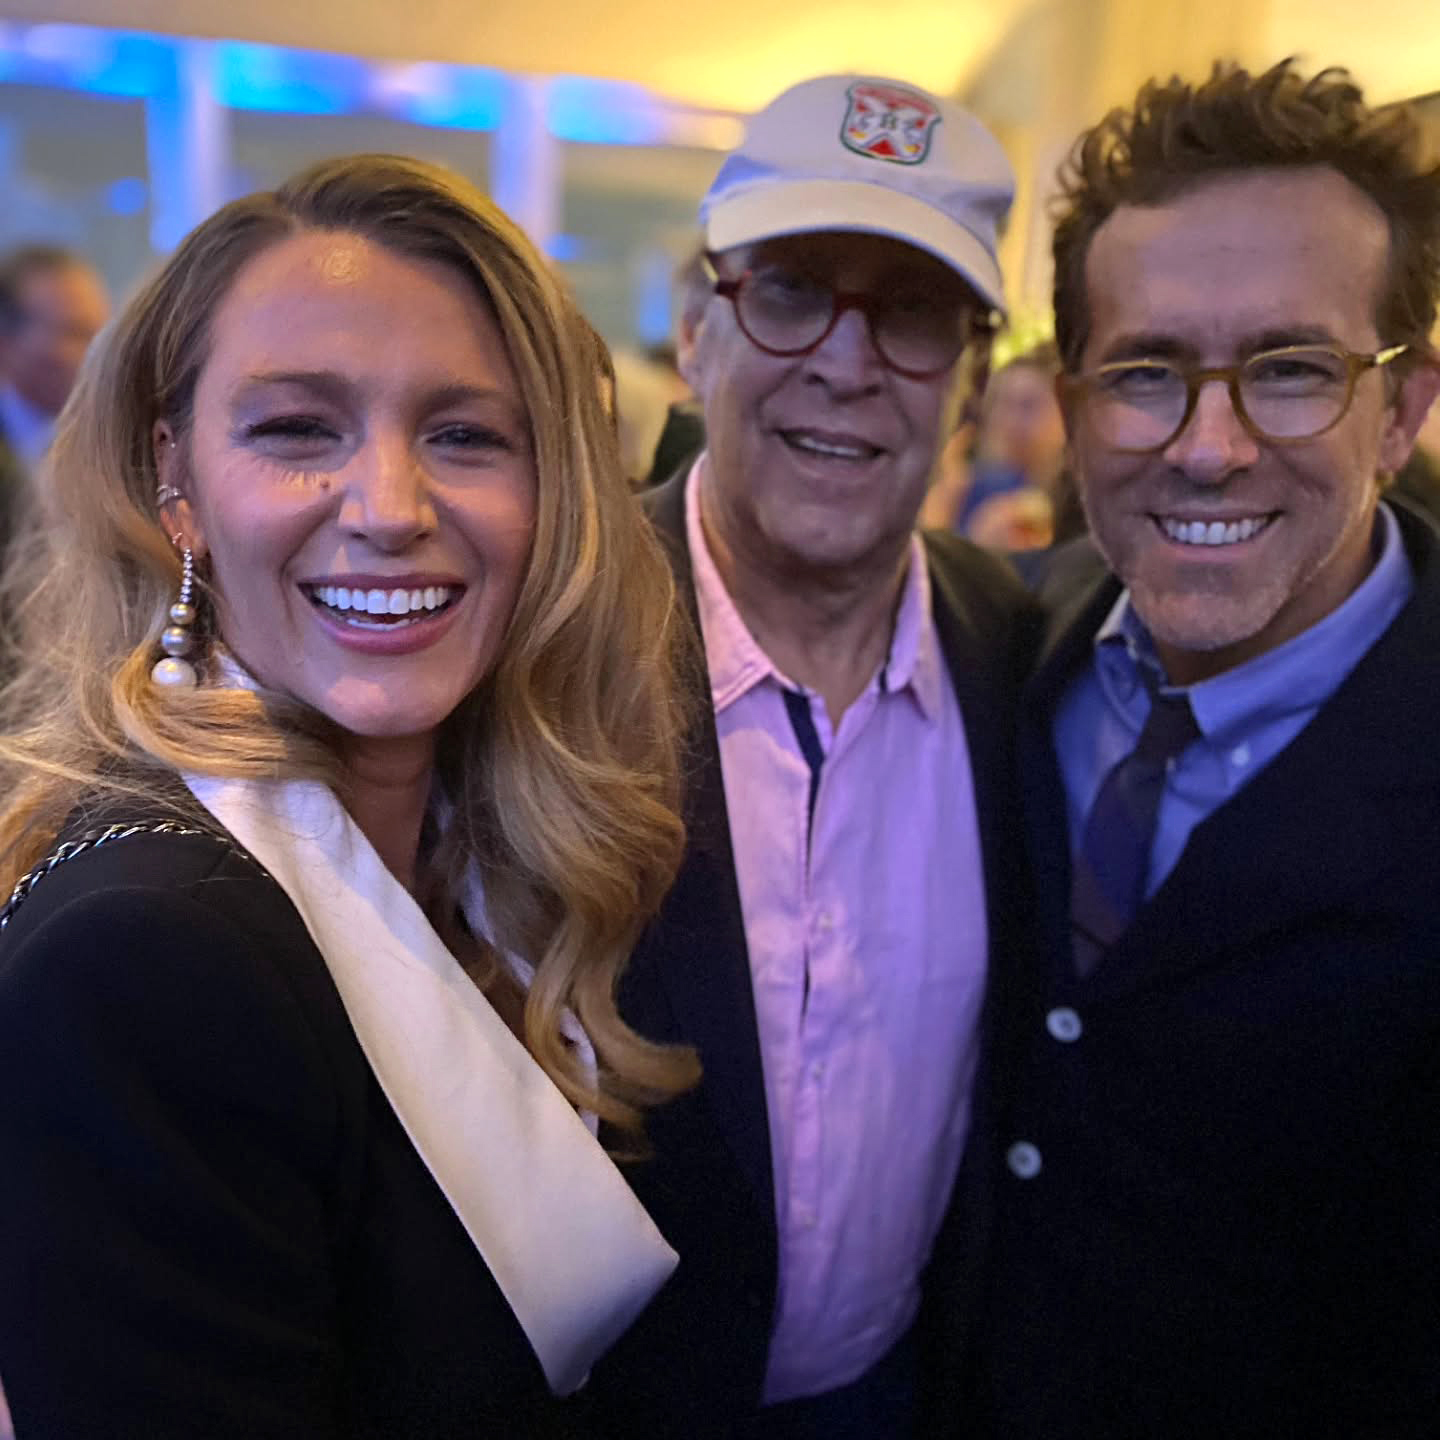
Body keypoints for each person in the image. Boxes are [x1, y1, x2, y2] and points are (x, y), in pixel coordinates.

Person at [0, 154, 700, 1439]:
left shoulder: (479, 863)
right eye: (296, 430)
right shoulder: (145, 949)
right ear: (175, 482)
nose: (389, 508)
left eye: (465, 435)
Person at [972, 61, 1440, 1439]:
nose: (1210, 447)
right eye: (1147, 373)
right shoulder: (1007, 643)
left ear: (1404, 411)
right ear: (1072, 408)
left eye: (1292, 371)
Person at [579, 75, 1037, 1438]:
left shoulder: (1019, 653)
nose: (846, 363)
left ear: (972, 382)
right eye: (788, 292)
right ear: (696, 326)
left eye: (914, 314)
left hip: (902, 1396)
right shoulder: (544, 640)